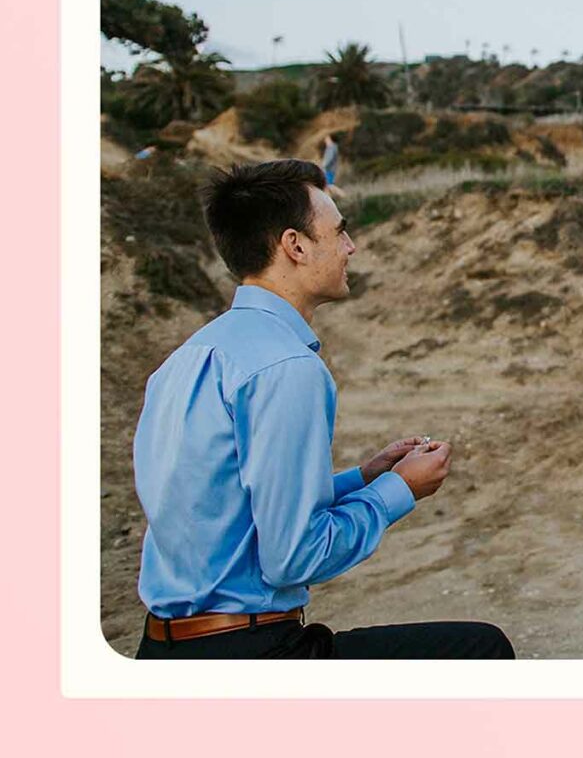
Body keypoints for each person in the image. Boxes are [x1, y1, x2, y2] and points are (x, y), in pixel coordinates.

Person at [132, 159, 514, 659]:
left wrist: (364, 476)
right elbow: (294, 557)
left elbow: (230, 511)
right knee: (479, 650)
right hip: (250, 653)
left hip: (163, 647)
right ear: (295, 245)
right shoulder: (286, 366)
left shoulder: (188, 358)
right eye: (339, 232)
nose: (350, 247)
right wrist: (400, 490)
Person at [319, 133, 342, 197]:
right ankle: (329, 199)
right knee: (327, 186)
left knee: (330, 185)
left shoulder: (331, 148)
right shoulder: (331, 147)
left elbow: (329, 159)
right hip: (329, 170)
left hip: (329, 170)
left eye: (327, 138)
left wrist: (323, 165)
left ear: (331, 139)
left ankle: (344, 196)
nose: (325, 140)